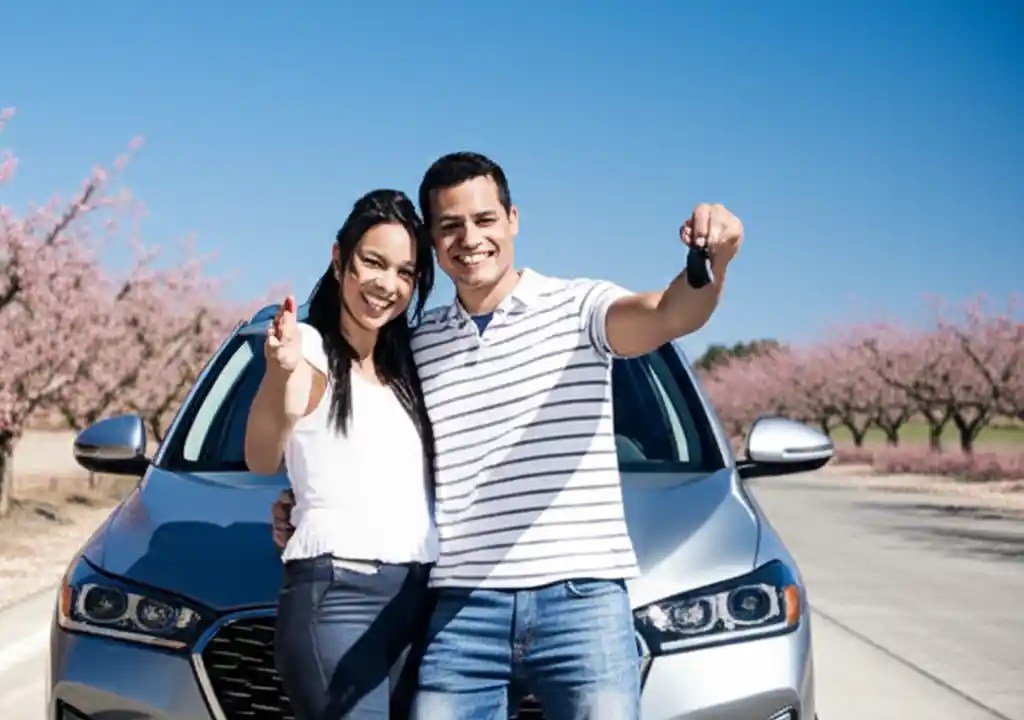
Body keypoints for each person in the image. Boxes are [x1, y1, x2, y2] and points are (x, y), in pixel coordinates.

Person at [271, 151, 745, 720]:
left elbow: (670, 314)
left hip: (582, 601)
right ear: (433, 245)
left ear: (512, 219)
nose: (468, 238)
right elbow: (365, 433)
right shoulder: (415, 347)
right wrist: (308, 501)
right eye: (449, 226)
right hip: (459, 610)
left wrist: (715, 257)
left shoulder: (578, 308)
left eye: (484, 219)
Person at [245, 188, 440, 719]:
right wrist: (280, 371)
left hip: (420, 600)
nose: (387, 285)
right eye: (373, 262)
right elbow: (263, 455)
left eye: (405, 272)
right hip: (339, 600)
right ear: (340, 259)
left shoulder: (410, 368)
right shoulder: (308, 348)